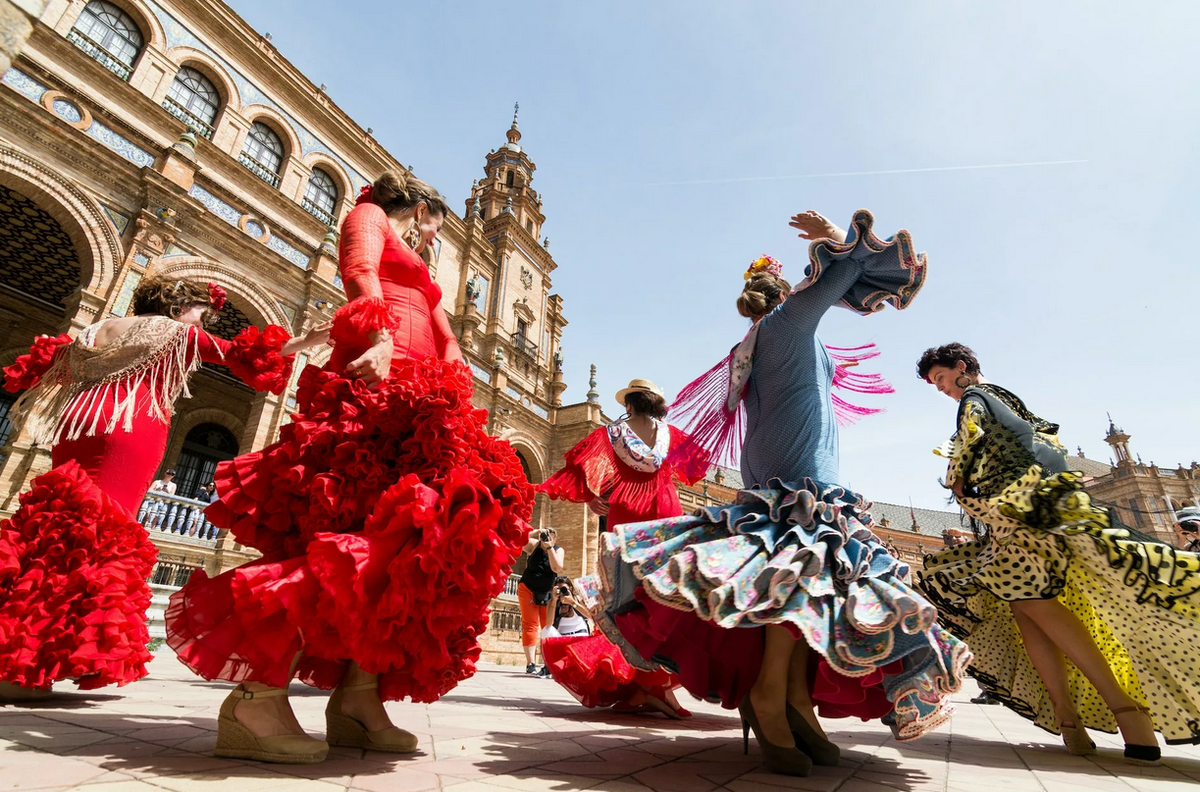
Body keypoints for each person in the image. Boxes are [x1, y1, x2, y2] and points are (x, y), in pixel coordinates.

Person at [165, 171, 535, 765]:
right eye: (432, 220)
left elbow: (440, 324)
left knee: (406, 539)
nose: (434, 233)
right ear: (419, 206)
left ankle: (358, 699)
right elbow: (361, 275)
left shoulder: (420, 260)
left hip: (425, 393)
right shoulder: (369, 217)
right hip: (378, 375)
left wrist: (456, 381)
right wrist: (380, 337)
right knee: (346, 532)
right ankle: (256, 697)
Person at [596, 210, 968, 777]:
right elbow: (846, 274)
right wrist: (832, 242)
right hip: (798, 465)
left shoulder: (758, 338)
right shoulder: (790, 322)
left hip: (791, 460)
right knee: (800, 571)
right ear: (784, 293)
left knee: (804, 579)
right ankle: (771, 694)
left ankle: (792, 699)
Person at [0, 277, 319, 701]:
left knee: (54, 529)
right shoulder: (176, 332)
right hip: (132, 425)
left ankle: (17, 652)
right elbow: (242, 354)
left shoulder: (99, 329)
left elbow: (49, 362)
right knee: (99, 536)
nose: (202, 321)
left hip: (78, 423)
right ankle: (30, 665)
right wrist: (305, 341)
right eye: (202, 314)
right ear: (180, 307)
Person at [915, 343, 1200, 763]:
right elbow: (1043, 445)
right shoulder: (1005, 396)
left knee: (1035, 606)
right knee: (1026, 614)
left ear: (961, 368)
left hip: (1014, 517)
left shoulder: (975, 399)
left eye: (940, 378)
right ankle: (1069, 718)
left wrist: (959, 483)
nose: (940, 388)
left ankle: (1124, 710)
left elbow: (970, 449)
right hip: (1029, 512)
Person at [538, 379, 709, 715]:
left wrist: (592, 498)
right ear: (658, 405)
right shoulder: (670, 434)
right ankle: (657, 686)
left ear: (629, 404)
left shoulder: (610, 434)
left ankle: (637, 685)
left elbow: (578, 468)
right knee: (663, 600)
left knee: (625, 601)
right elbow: (697, 468)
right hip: (666, 515)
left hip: (626, 516)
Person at [518, 527, 564, 674]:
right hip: (527, 588)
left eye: (550, 536)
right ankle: (530, 663)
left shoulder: (558, 550)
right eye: (545, 536)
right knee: (529, 624)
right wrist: (535, 531)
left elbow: (557, 567)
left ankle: (547, 662)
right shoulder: (534, 545)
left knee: (547, 625)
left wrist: (549, 547)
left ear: (555, 539)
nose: (546, 538)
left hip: (548, 592)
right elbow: (517, 539)